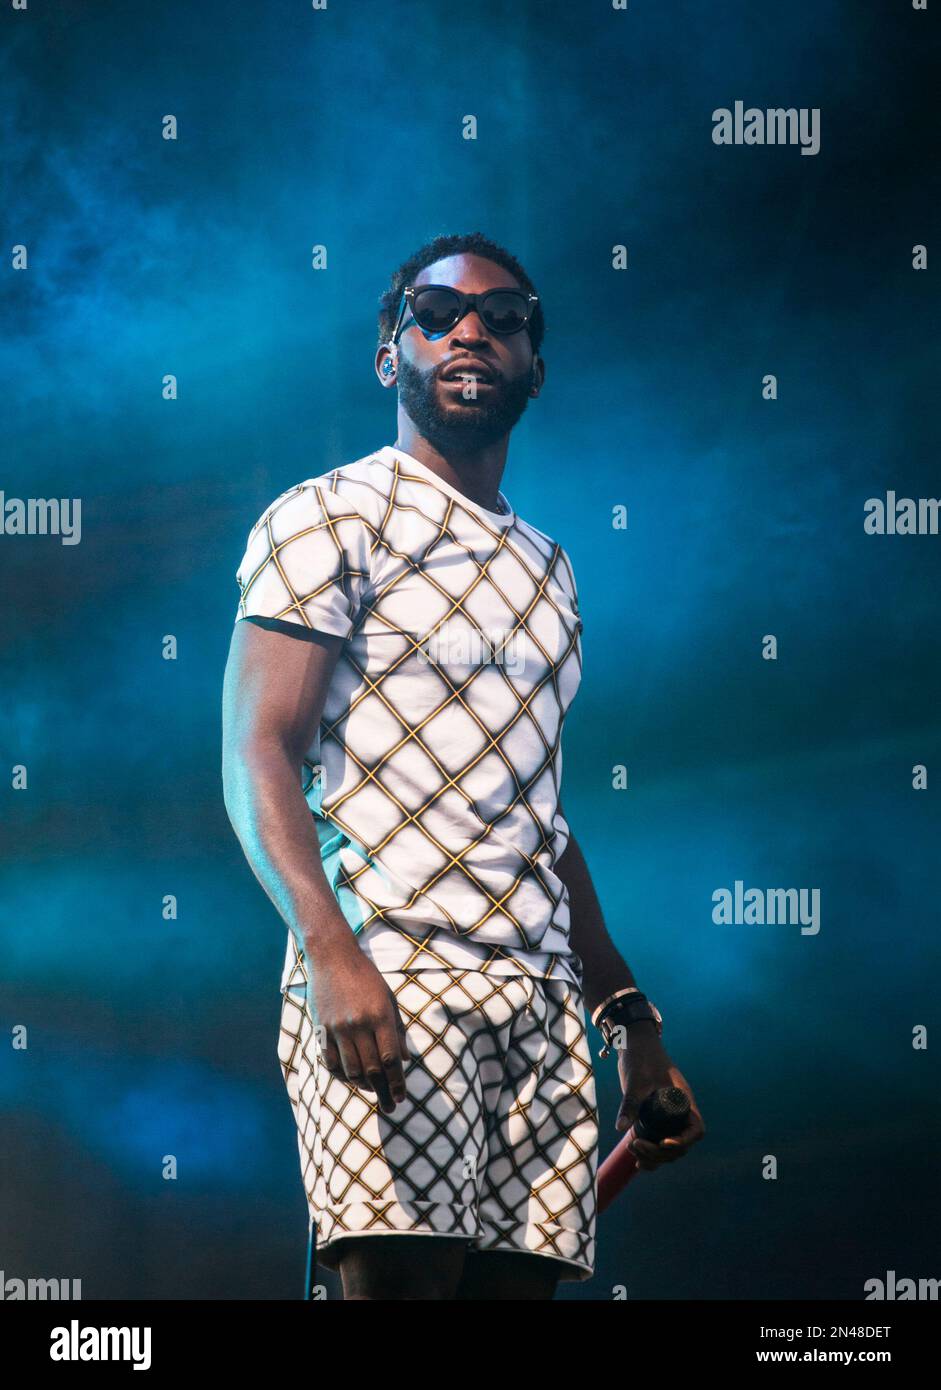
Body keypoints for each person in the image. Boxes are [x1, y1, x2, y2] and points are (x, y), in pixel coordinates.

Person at [221, 231, 704, 1301]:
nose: (470, 330)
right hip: (390, 977)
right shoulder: (328, 515)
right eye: (435, 314)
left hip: (538, 1007)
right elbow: (256, 749)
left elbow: (538, 818)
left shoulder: (549, 566)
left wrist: (630, 1022)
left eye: (503, 315)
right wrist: (330, 952)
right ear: (389, 354)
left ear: (535, 359)